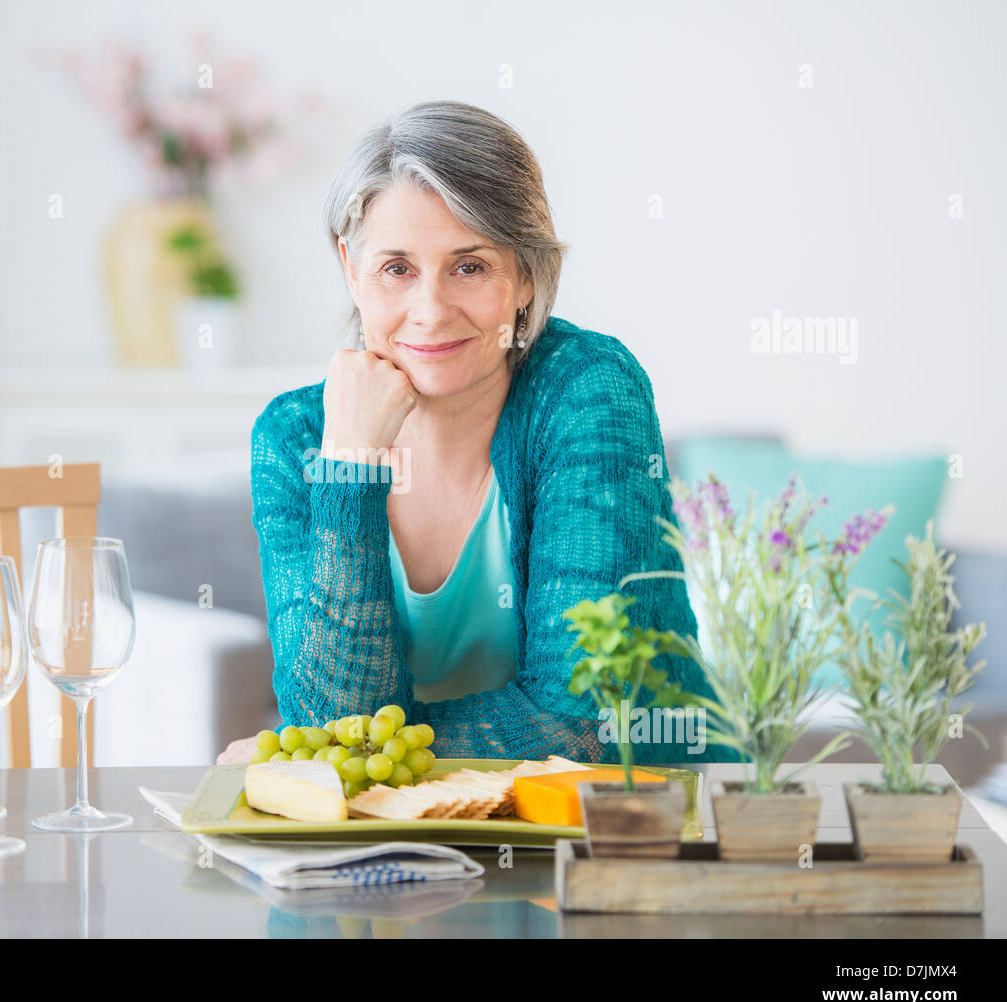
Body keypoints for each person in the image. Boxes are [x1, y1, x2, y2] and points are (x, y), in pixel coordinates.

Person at [218, 100, 733, 765]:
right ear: (351, 267)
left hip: (634, 828)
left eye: (470, 265)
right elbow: (330, 716)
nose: (430, 311)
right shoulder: (296, 437)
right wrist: (350, 463)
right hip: (405, 841)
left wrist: (371, 749)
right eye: (396, 268)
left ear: (524, 274)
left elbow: (581, 725)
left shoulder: (589, 392)